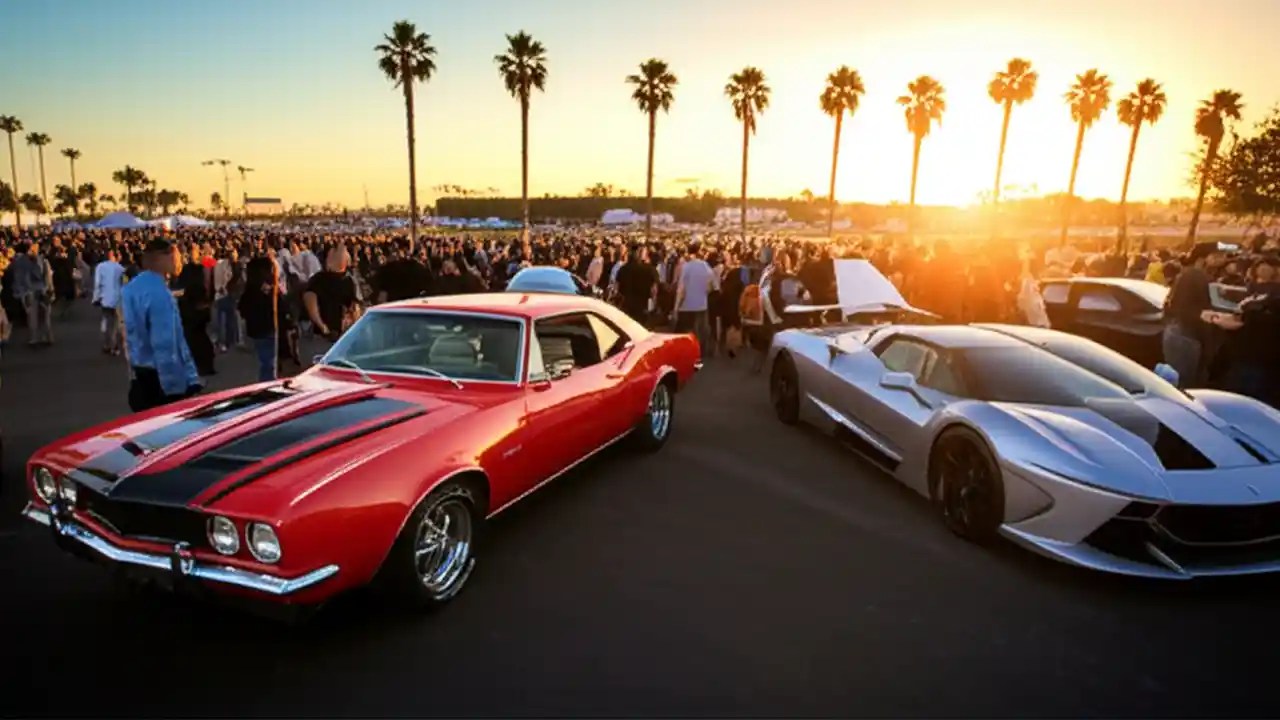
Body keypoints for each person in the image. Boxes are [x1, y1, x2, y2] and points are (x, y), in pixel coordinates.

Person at [121, 239, 201, 412]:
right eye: (177, 255)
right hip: (160, 382)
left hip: (140, 374)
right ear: (164, 257)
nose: (181, 260)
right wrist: (180, 389)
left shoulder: (131, 287)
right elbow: (166, 346)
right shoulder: (159, 293)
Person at [1162, 242, 1222, 387]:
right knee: (1184, 385)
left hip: (1182, 335)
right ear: (1203, 258)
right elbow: (1183, 308)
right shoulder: (1193, 276)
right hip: (1185, 337)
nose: (1222, 258)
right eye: (1217, 255)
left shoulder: (1191, 274)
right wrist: (1210, 317)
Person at [239, 256, 286, 382]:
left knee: (266, 362)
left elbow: (243, 310)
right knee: (270, 364)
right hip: (269, 329)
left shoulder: (249, 290)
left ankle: (266, 384)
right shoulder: (269, 290)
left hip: (257, 331)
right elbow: (281, 308)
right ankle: (267, 387)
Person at [303, 245, 359, 344]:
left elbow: (353, 306)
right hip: (325, 334)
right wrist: (323, 327)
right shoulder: (319, 279)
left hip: (337, 332)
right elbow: (311, 303)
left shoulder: (348, 280)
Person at [177, 243, 216, 376]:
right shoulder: (196, 269)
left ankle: (202, 365)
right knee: (198, 338)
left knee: (197, 338)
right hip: (195, 308)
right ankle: (203, 365)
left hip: (195, 309)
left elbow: (203, 287)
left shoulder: (197, 269)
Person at [672, 244, 717, 357]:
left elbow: (681, 289)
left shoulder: (686, 267)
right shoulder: (706, 266)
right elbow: (713, 285)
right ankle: (699, 353)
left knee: (686, 331)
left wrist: (676, 307)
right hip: (702, 304)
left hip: (687, 305)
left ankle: (687, 354)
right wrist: (705, 291)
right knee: (701, 332)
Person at [10, 241, 54, 346]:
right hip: (36, 290)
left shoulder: (24, 262)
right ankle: (44, 337)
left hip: (33, 291)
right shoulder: (41, 260)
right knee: (39, 315)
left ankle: (39, 337)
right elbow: (46, 276)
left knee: (37, 315)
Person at [92, 247, 126, 354]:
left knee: (106, 322)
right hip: (117, 299)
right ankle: (114, 345)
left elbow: (97, 284)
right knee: (115, 324)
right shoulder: (120, 268)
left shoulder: (100, 267)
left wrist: (96, 298)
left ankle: (107, 344)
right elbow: (124, 284)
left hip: (104, 298)